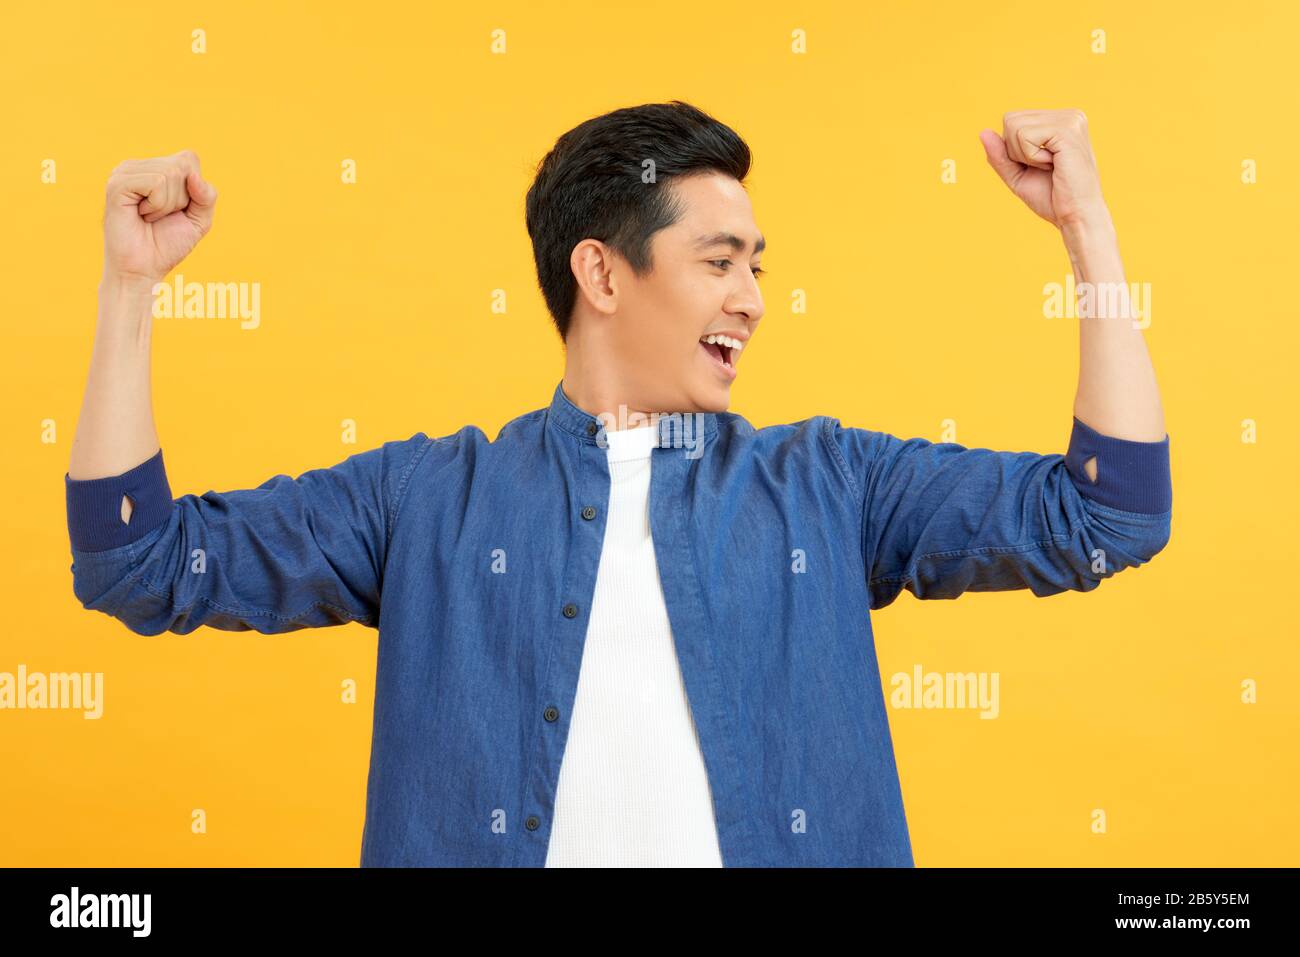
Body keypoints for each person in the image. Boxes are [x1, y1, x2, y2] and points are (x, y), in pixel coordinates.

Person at [65, 100, 1171, 867]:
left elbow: (1104, 516)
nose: (752, 298)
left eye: (758, 266)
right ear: (599, 270)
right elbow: (138, 564)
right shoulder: (422, 499)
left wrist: (1087, 229)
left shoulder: (830, 484)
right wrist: (128, 290)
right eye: (718, 260)